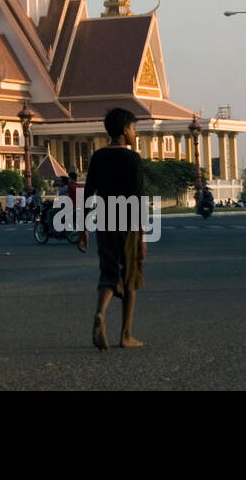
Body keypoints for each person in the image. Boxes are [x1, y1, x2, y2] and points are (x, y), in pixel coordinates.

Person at [77, 107, 146, 350]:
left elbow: (89, 193)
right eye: (134, 129)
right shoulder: (133, 159)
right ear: (125, 130)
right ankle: (126, 335)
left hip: (105, 221)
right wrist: (142, 236)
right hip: (128, 222)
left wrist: (84, 228)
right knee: (130, 278)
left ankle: (100, 312)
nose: (135, 133)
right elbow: (138, 199)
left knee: (108, 272)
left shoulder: (98, 157)